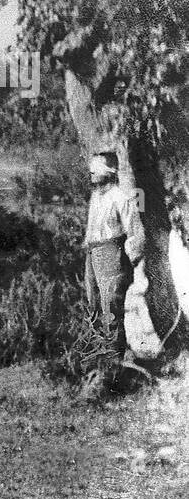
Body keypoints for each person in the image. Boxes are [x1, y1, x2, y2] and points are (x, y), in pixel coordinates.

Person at [84, 150, 146, 358]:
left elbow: (135, 231)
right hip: (93, 252)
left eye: (96, 169)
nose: (91, 173)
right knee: (92, 300)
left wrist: (131, 261)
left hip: (112, 252)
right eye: (91, 170)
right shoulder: (96, 197)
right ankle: (97, 351)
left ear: (109, 171)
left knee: (110, 304)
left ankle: (115, 356)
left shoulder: (121, 197)